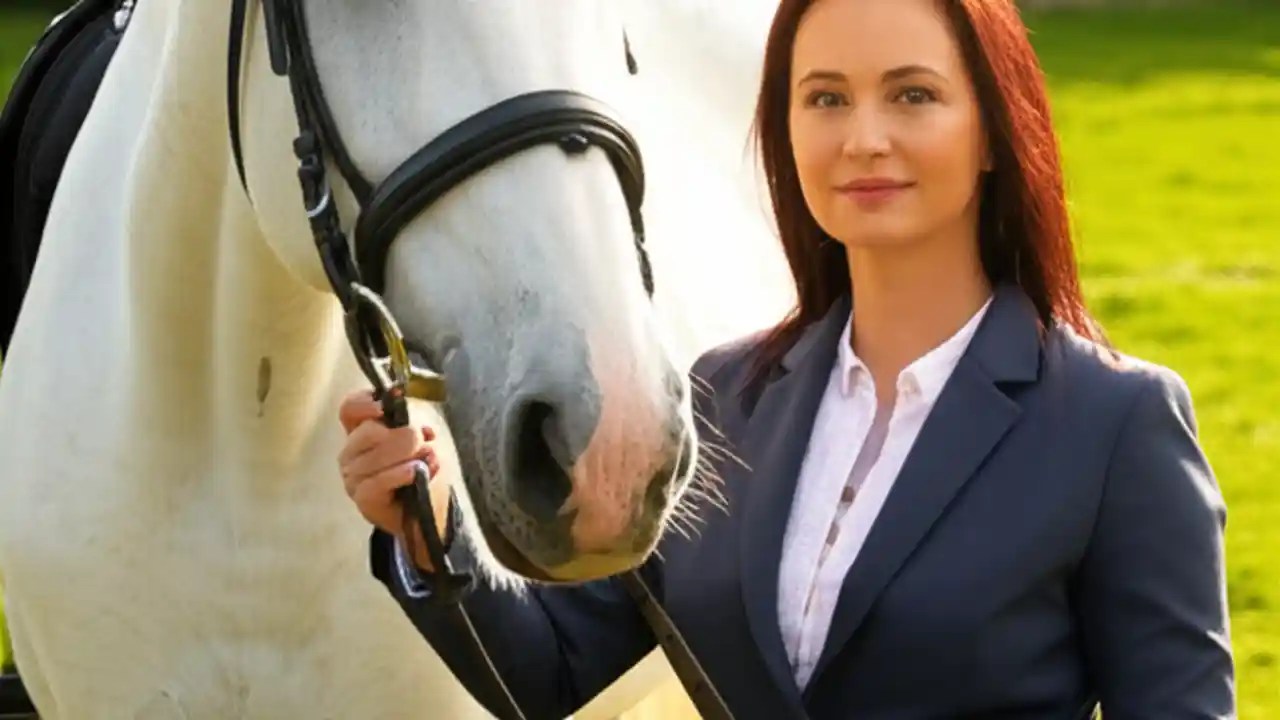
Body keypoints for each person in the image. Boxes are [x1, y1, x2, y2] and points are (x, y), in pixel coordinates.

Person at [336, 0, 1236, 717]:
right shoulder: (723, 398)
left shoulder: (1117, 426)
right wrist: (432, 529)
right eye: (826, 98)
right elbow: (554, 675)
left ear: (995, 130)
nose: (864, 138)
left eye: (913, 94)